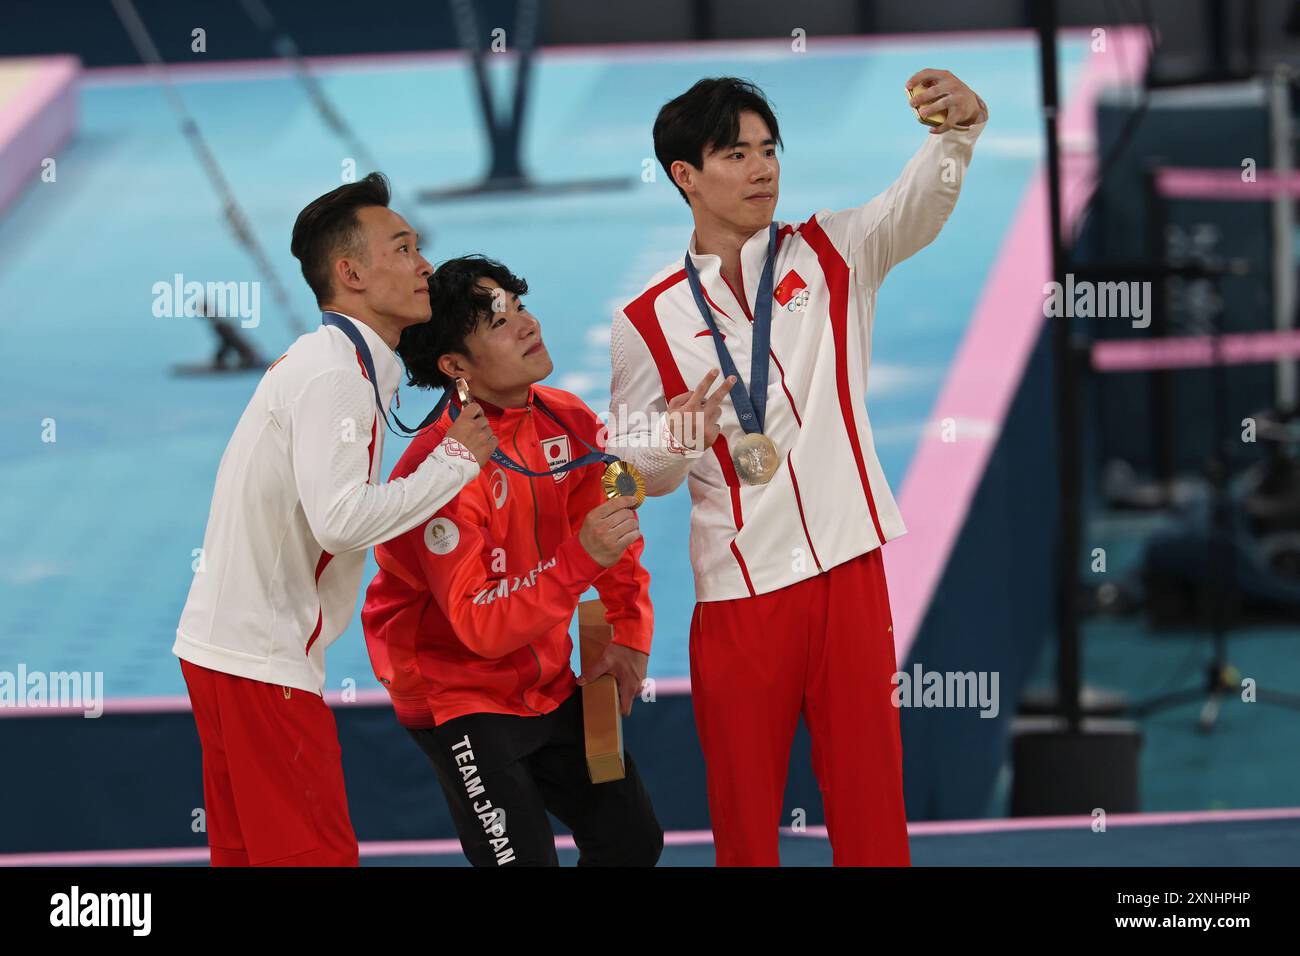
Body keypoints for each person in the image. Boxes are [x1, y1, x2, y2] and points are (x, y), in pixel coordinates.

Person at [607, 72, 988, 866]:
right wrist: (671, 445)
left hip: (849, 567)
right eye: (736, 153)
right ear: (685, 176)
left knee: (870, 794)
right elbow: (628, 474)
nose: (762, 169)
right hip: (741, 593)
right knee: (745, 818)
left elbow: (915, 206)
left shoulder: (834, 250)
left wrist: (955, 136)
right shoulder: (646, 320)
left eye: (770, 149)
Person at [173, 173, 497, 866]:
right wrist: (455, 463)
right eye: (404, 248)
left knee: (248, 855)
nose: (424, 265)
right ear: (351, 273)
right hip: (262, 660)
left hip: (226, 651)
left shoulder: (339, 362)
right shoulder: (338, 378)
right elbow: (340, 521)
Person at [362, 255, 663, 867]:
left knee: (631, 840)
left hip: (545, 678)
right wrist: (580, 559)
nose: (527, 325)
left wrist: (629, 632)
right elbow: (479, 628)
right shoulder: (440, 473)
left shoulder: (565, 418)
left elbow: (616, 534)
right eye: (499, 322)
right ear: (455, 367)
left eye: (520, 306)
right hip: (458, 696)